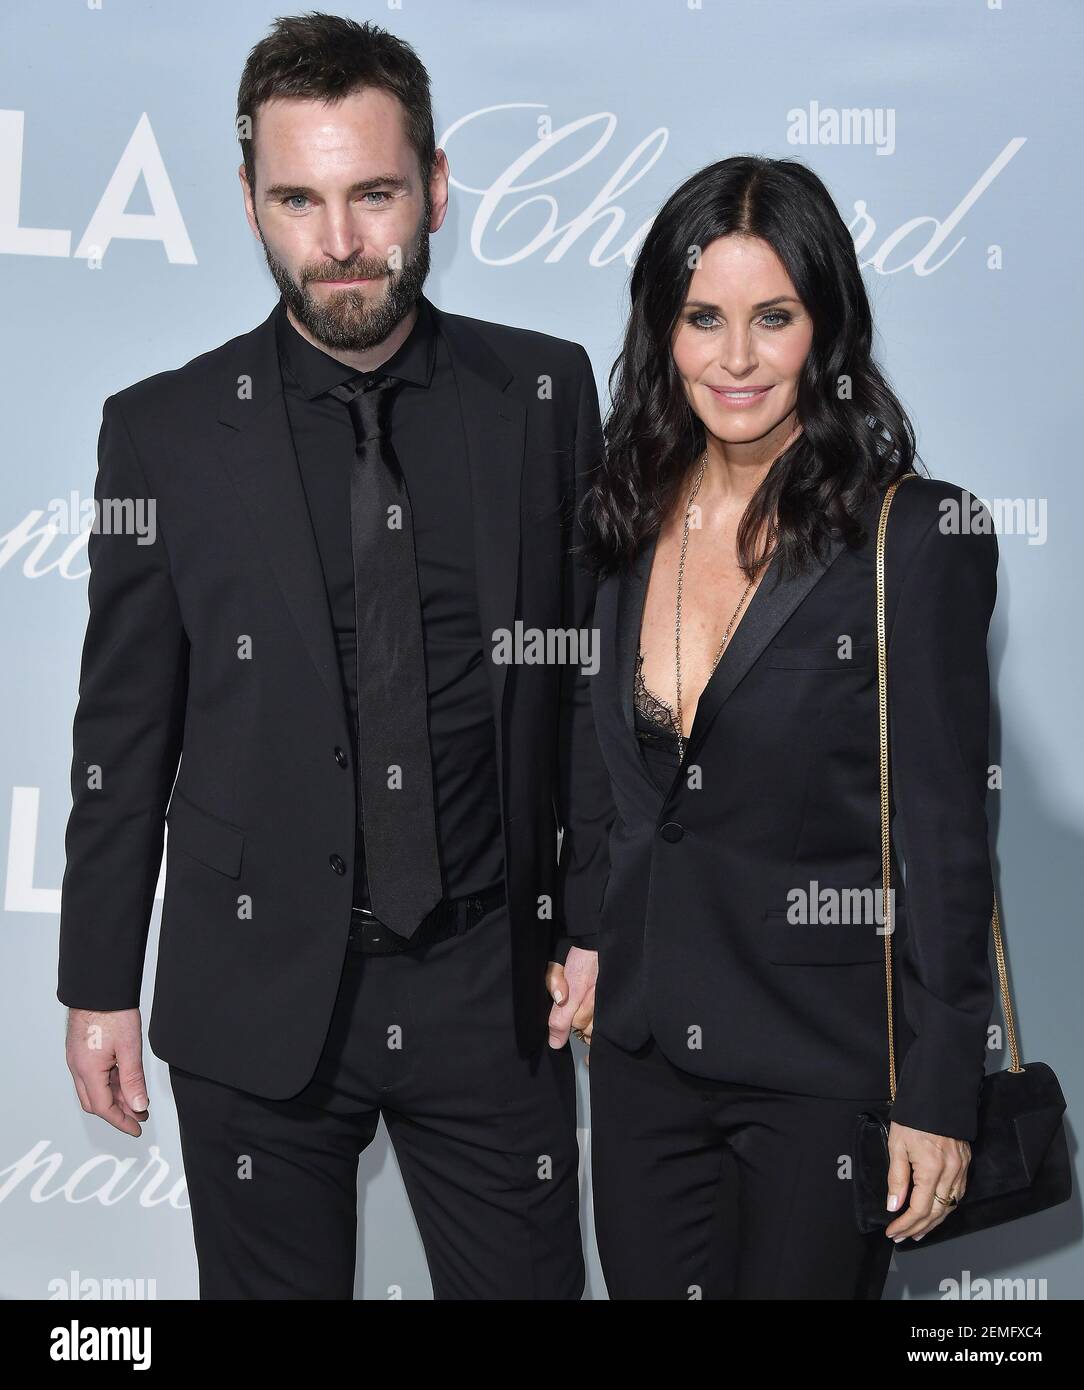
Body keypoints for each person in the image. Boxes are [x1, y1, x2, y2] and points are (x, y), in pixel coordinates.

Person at [58, 13, 610, 1300]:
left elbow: (590, 683)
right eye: (299, 199)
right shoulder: (163, 432)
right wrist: (97, 983)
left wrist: (591, 921)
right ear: (248, 203)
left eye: (374, 192)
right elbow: (124, 729)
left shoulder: (545, 395)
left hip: (492, 988)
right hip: (253, 996)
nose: (343, 241)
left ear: (435, 189)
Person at [566, 154, 999, 1299]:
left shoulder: (915, 536)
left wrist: (940, 1089)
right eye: (704, 318)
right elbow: (613, 770)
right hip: (647, 1060)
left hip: (825, 1069)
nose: (738, 358)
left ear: (830, 326)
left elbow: (949, 837)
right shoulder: (626, 507)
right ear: (664, 326)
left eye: (775, 317)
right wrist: (592, 932)